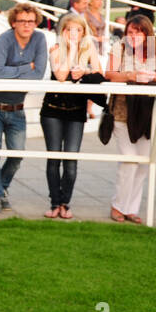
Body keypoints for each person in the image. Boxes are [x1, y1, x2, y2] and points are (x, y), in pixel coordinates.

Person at [105, 15, 156, 223]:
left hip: (148, 111)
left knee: (143, 164)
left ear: (147, 33)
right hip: (122, 111)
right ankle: (117, 205)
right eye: (130, 32)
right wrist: (130, 76)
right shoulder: (120, 47)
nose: (133, 36)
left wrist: (153, 77)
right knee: (130, 161)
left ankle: (130, 209)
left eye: (138, 32)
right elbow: (109, 73)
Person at [0, 4, 48, 213]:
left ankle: (0, 188)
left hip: (17, 108)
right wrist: (25, 67)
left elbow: (38, 74)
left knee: (17, 154)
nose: (27, 25)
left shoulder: (39, 39)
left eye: (31, 21)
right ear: (14, 23)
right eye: (22, 21)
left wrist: (17, 70)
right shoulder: (5, 39)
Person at [42, 13, 104, 219]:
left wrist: (84, 71)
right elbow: (60, 75)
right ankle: (54, 203)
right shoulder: (56, 49)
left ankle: (65, 202)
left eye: (78, 30)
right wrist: (73, 51)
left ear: (84, 32)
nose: (74, 34)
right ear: (63, 31)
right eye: (69, 29)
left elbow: (99, 72)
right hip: (53, 109)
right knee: (54, 159)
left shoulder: (90, 49)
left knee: (70, 161)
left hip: (76, 112)